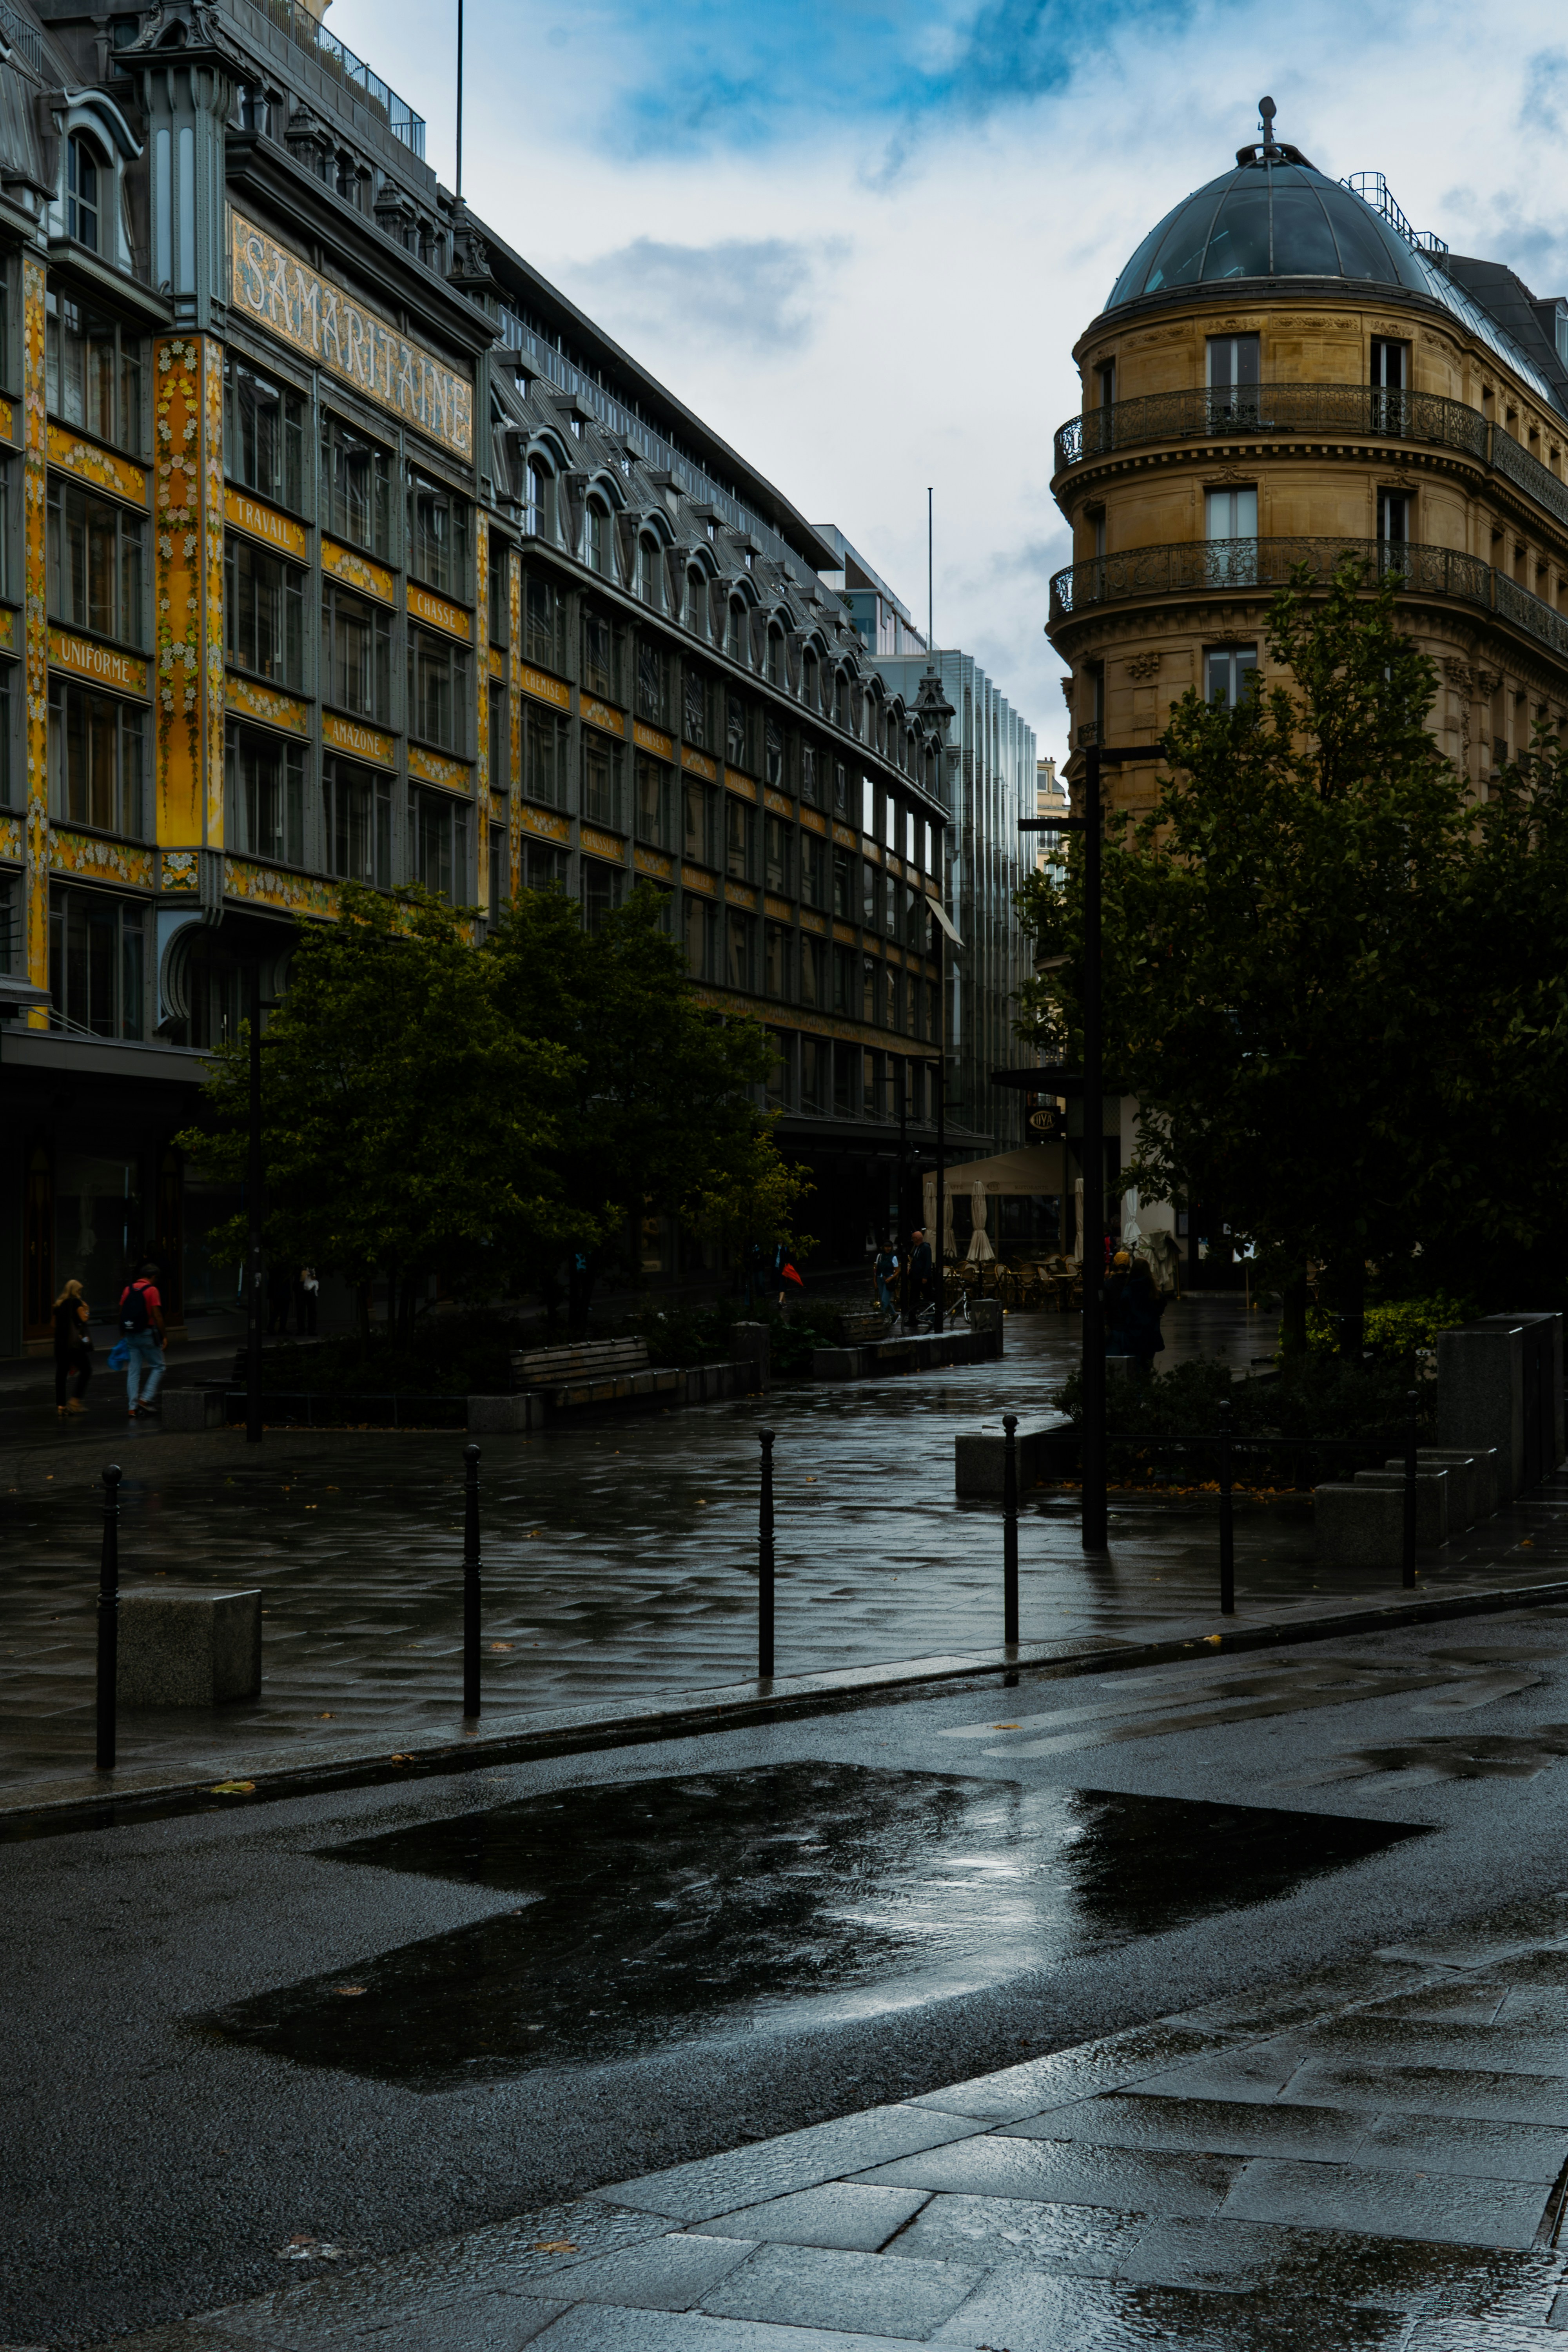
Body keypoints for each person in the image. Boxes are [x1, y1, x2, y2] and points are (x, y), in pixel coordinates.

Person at [118, 1260, 166, 1420]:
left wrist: (123, 1333)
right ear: (153, 1277)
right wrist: (164, 1335)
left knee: (133, 1371)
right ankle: (145, 1400)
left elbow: (122, 1312)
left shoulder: (128, 1289)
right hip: (147, 1333)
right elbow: (157, 1315)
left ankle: (132, 1408)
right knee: (159, 1366)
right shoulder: (152, 1290)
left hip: (131, 1334)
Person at [53, 1278, 92, 1416]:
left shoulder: (59, 1304)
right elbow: (84, 1318)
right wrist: (87, 1309)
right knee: (87, 1370)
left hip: (60, 1344)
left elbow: (54, 1325)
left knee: (61, 1374)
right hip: (74, 1345)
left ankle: (61, 1406)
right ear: (77, 1291)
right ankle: (75, 1401)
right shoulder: (76, 1302)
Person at [1122, 1258, 1168, 1376]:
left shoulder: (1128, 1291)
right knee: (1147, 1367)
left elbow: (1123, 1311)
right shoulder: (1155, 1293)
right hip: (1150, 1334)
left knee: (1135, 1368)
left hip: (1133, 1335)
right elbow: (1161, 1307)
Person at [1104, 1247, 1133, 1356]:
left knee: (1113, 1363)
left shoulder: (1108, 1284)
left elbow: (1105, 1306)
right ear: (1129, 1265)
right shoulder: (1133, 1284)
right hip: (1130, 1328)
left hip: (1114, 1327)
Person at [907, 1228, 933, 1319]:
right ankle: (913, 1318)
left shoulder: (925, 1248)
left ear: (917, 1239)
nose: (912, 1240)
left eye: (913, 1238)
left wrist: (925, 1276)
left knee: (927, 1297)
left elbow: (928, 1263)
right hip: (916, 1277)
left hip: (922, 1278)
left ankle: (931, 1314)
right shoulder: (917, 1248)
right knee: (914, 1298)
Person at [873, 1239, 899, 1318]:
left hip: (888, 1280)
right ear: (883, 1248)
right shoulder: (880, 1256)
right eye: (886, 1247)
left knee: (884, 1301)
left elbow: (898, 1271)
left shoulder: (893, 1258)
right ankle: (895, 1315)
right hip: (879, 1279)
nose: (888, 1249)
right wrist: (875, 1280)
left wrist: (891, 1279)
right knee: (885, 1300)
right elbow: (876, 1268)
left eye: (889, 1247)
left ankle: (881, 1317)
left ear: (891, 1248)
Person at [266, 1263, 292, 1336]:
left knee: (278, 1310)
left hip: (278, 1292)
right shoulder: (281, 1268)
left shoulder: (274, 1268)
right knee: (281, 1310)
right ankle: (279, 1327)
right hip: (281, 1292)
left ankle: (275, 1327)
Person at [294, 1264, 319, 1338]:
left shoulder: (314, 1264)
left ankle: (311, 1330)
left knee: (312, 1310)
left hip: (311, 1287)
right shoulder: (298, 1266)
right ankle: (301, 1330)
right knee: (301, 1310)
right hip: (301, 1287)